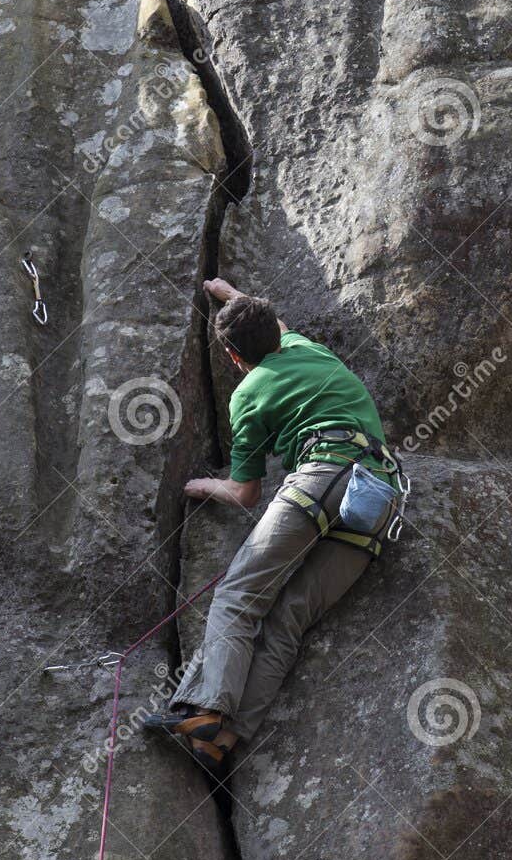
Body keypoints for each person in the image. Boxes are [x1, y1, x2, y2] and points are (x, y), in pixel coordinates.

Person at [144, 277, 403, 776]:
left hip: (322, 477)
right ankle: (223, 741)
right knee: (289, 619)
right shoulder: (307, 348)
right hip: (377, 499)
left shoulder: (247, 396)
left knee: (238, 597)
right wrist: (229, 293)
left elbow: (245, 493)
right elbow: (273, 323)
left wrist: (202, 486)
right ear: (276, 336)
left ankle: (205, 709)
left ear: (233, 358)